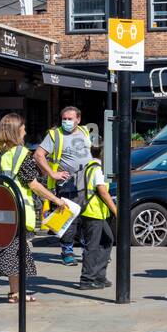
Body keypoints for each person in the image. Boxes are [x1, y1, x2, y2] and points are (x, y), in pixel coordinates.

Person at [0, 113, 67, 304]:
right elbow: (33, 185)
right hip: (14, 210)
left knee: (13, 251)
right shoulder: (21, 154)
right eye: (23, 128)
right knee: (7, 252)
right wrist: (56, 200)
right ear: (16, 131)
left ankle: (15, 292)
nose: (25, 132)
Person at [34, 106, 93, 266]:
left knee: (87, 219)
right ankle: (67, 251)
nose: (66, 121)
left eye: (70, 118)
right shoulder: (55, 135)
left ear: (78, 119)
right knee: (68, 218)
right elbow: (38, 155)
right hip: (67, 185)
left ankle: (90, 250)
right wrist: (52, 174)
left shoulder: (84, 131)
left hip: (87, 183)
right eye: (64, 118)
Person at [77, 140, 117, 290]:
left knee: (107, 240)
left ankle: (99, 276)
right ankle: (87, 280)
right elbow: (102, 191)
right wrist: (115, 210)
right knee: (92, 246)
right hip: (93, 212)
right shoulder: (97, 169)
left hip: (95, 212)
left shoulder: (89, 166)